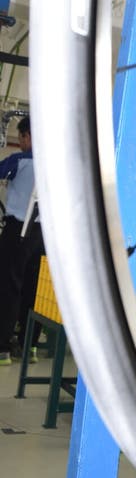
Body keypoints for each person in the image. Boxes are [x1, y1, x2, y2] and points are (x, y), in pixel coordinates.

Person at [0, 116, 43, 365]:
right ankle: (30, 347)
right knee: (34, 290)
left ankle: (3, 347)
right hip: (44, 235)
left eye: (22, 138)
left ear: (28, 136)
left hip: (18, 231)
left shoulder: (20, 160)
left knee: (8, 287)